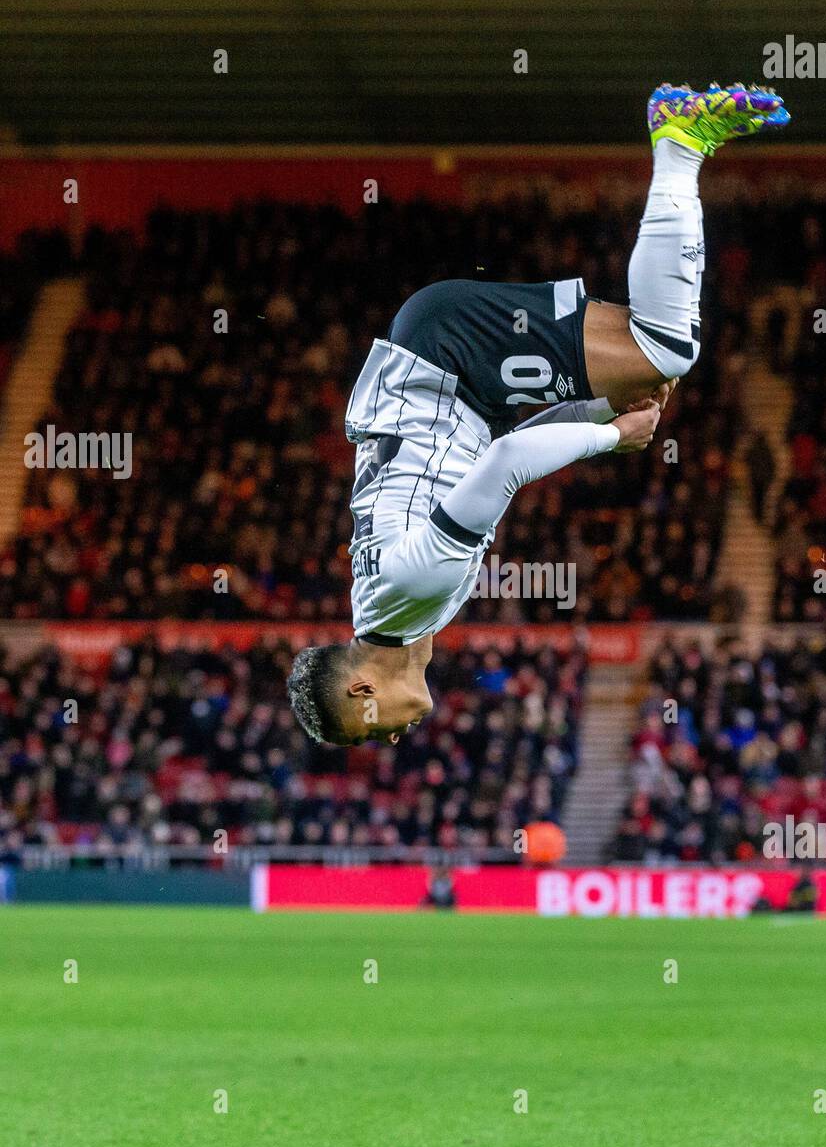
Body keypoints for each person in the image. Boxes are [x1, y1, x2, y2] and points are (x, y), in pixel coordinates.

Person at [288, 82, 790, 746]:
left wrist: (608, 435)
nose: (389, 739)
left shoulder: (414, 590)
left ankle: (679, 141)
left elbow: (505, 463)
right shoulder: (391, 608)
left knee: (664, 349)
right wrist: (593, 409)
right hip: (459, 375)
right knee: (651, 351)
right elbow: (487, 452)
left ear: (362, 688)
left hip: (450, 356)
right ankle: (682, 146)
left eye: (368, 729)